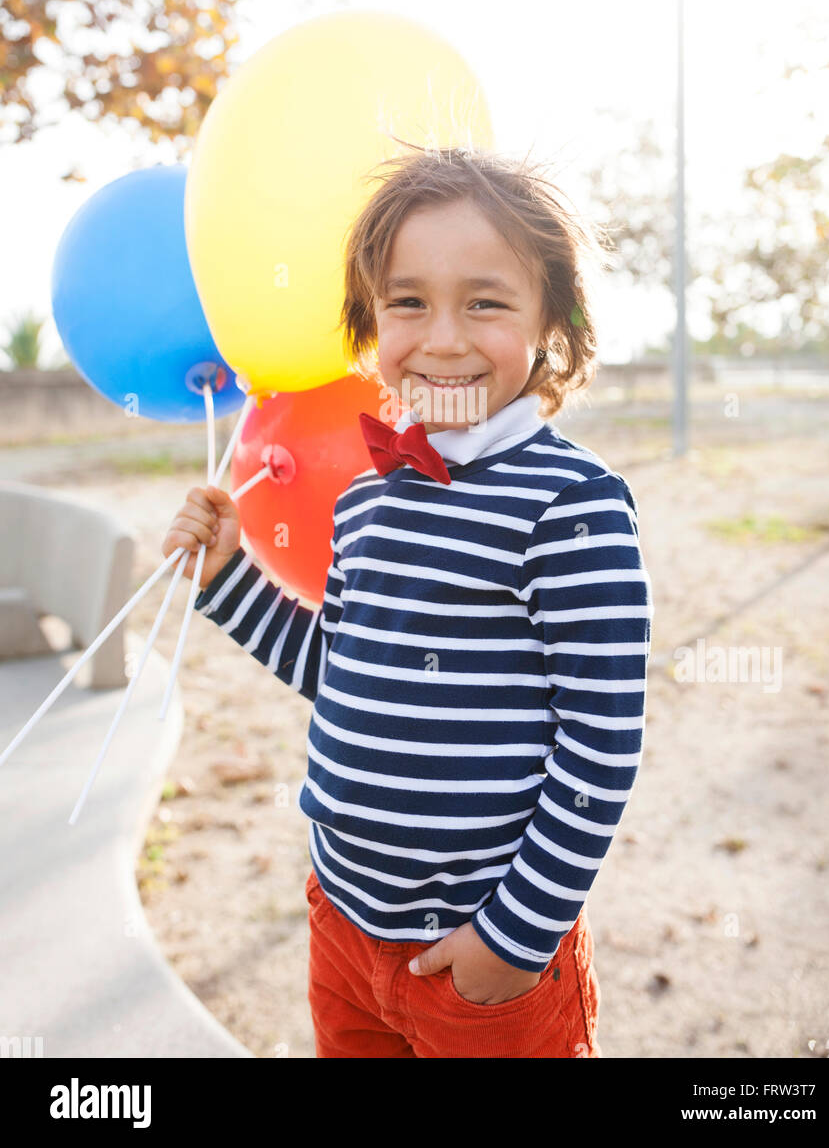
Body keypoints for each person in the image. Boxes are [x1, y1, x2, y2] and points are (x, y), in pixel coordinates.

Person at [162, 143, 654, 1058]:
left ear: (554, 318)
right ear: (369, 320)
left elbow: (602, 739)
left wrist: (514, 938)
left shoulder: (571, 504)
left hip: (480, 964)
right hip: (344, 925)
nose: (444, 338)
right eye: (409, 301)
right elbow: (340, 668)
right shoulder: (367, 499)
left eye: (486, 301)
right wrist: (229, 576)